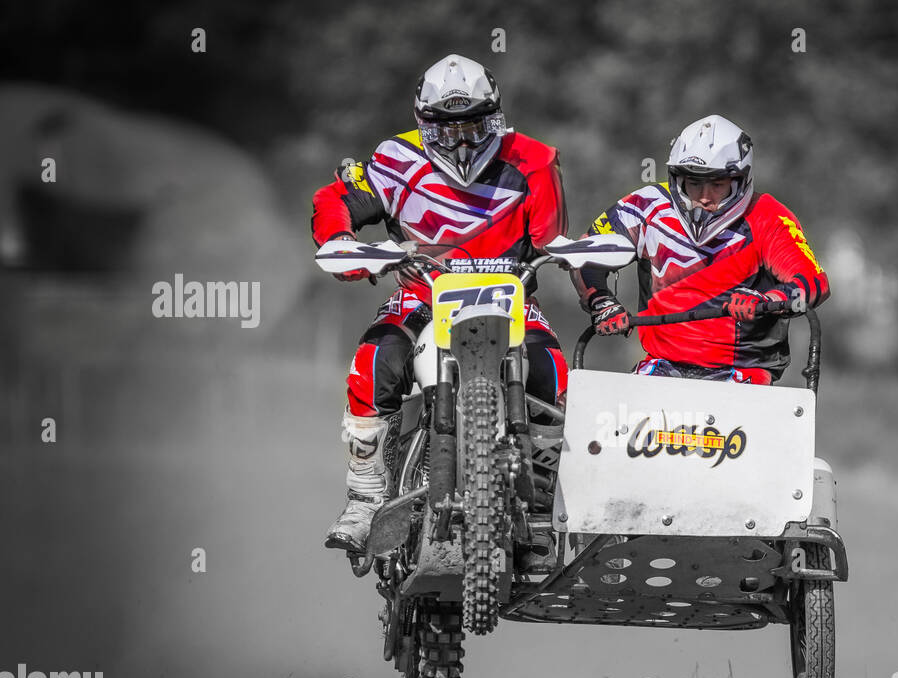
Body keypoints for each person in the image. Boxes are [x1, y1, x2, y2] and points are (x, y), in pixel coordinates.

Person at [311, 54, 569, 553]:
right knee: (376, 359)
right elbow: (336, 200)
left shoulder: (534, 159)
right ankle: (365, 496)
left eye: (476, 125)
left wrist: (581, 265)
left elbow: (552, 241)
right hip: (422, 294)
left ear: (496, 116)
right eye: (448, 130)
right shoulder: (393, 159)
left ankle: (540, 497)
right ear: (424, 124)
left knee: (550, 369)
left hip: (508, 298)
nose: (464, 141)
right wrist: (353, 246)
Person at [571, 114, 829, 384]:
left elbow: (815, 282)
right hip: (661, 366)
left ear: (740, 180)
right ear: (677, 178)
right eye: (694, 183)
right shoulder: (644, 206)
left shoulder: (769, 216)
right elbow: (583, 255)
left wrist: (767, 300)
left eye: (717, 185)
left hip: (745, 373)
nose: (705, 197)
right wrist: (602, 303)